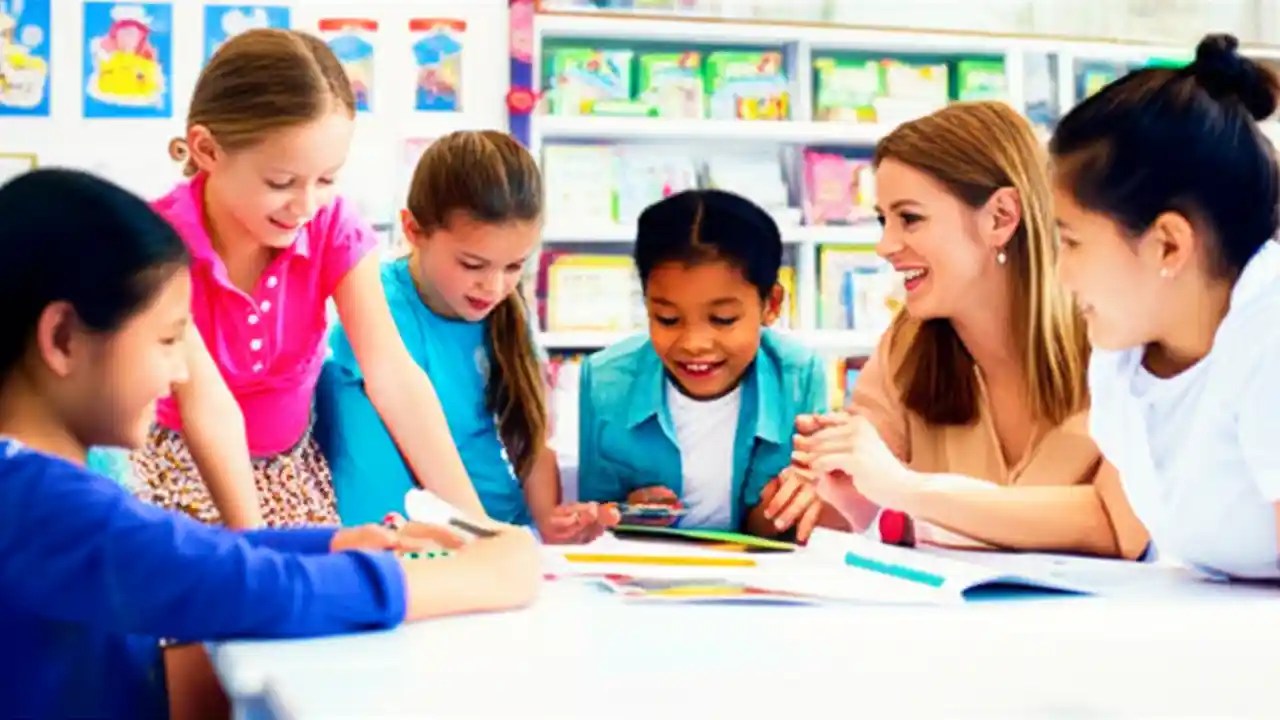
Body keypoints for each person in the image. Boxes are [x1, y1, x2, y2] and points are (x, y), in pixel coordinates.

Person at [0, 168, 540, 718]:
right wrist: (479, 578)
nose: (182, 370)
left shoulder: (32, 485)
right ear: (63, 338)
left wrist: (334, 545)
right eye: (167, 341)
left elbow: (195, 552)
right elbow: (246, 586)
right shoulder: (35, 502)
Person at [129, 28, 487, 528]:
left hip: (294, 469)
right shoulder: (157, 243)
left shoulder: (330, 225)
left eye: (326, 178)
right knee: (227, 587)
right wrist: (252, 548)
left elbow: (393, 375)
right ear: (207, 150)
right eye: (281, 183)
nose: (306, 205)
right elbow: (207, 406)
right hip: (185, 465)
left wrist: (474, 521)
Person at [795, 100, 1148, 559]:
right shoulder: (907, 347)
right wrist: (828, 484)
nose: (885, 246)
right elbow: (859, 506)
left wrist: (907, 490)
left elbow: (1118, 525)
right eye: (884, 220)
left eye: (910, 218)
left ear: (1001, 217)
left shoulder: (1118, 337)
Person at [315, 130, 618, 543]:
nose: (493, 288)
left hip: (500, 526)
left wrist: (551, 521)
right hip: (417, 532)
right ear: (413, 229)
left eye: (514, 266)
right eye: (472, 264)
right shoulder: (375, 305)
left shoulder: (506, 314)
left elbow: (528, 436)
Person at [577, 189, 833, 542]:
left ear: (771, 304)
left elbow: (791, 525)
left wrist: (782, 509)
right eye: (667, 319)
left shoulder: (799, 376)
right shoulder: (605, 379)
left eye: (723, 319)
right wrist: (625, 513)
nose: (694, 344)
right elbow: (592, 519)